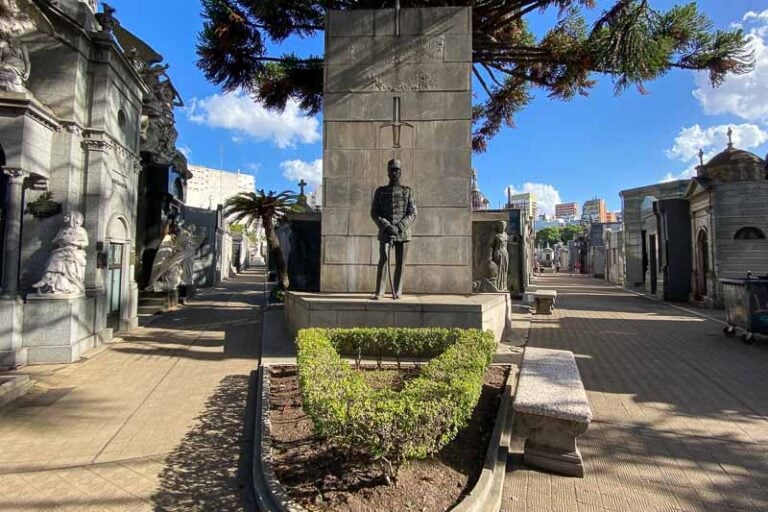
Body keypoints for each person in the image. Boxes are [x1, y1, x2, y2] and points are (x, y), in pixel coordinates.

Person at [370, 159, 417, 299]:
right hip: (386, 232)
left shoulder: (407, 191)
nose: (394, 173)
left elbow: (412, 213)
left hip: (403, 233)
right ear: (388, 172)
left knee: (400, 264)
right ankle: (380, 291)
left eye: (396, 170)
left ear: (400, 173)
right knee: (383, 261)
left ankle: (397, 291)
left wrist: (399, 227)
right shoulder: (380, 191)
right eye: (391, 170)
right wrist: (387, 226)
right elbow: (374, 212)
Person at [32, 211, 89, 294]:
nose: (64, 218)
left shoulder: (81, 230)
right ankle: (48, 281)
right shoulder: (62, 230)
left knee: (57, 257)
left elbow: (85, 243)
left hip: (75, 251)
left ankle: (46, 280)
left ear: (73, 218)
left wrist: (73, 242)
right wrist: (61, 240)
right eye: (65, 216)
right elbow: (54, 241)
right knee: (56, 256)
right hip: (62, 250)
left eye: (67, 216)